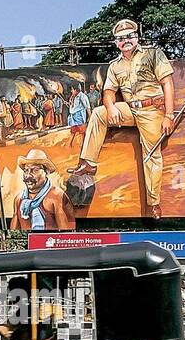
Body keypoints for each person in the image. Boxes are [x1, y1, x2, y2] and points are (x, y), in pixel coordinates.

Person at [68, 19, 176, 219]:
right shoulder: (115, 65)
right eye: (121, 38)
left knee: (151, 153)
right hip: (129, 109)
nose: (125, 40)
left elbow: (167, 83)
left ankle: (153, 204)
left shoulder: (153, 54)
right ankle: (88, 162)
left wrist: (169, 115)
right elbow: (109, 91)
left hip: (152, 109)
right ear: (116, 42)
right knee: (99, 113)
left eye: (129, 36)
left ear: (136, 37)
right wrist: (110, 107)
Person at [12, 148, 74, 230]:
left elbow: (66, 233)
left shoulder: (57, 197)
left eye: (35, 170)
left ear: (46, 172)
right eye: (26, 170)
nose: (28, 175)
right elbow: (13, 231)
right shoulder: (19, 199)